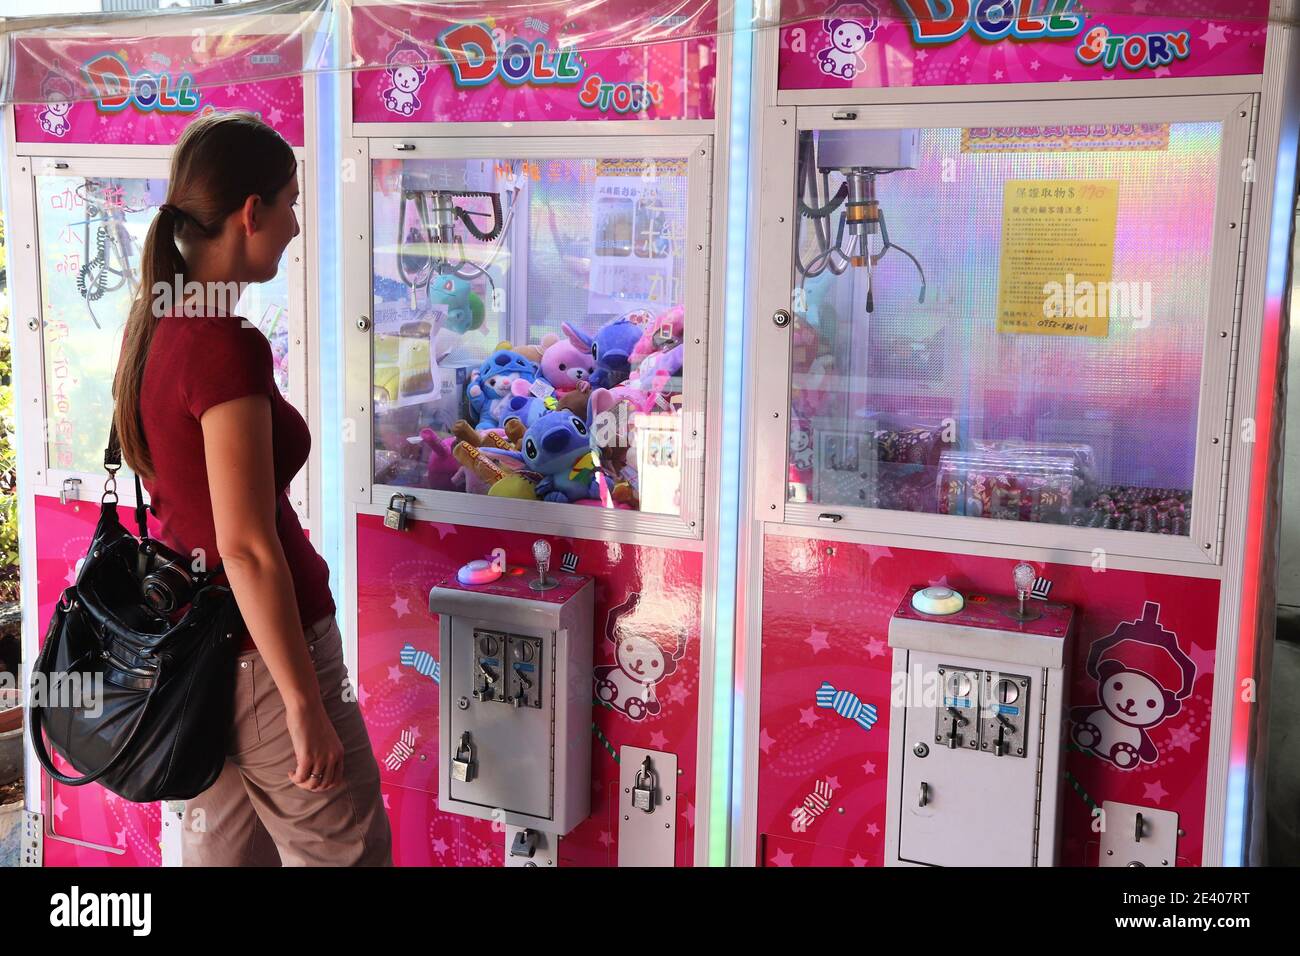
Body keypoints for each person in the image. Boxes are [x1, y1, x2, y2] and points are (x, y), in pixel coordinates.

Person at [110, 112, 392, 866]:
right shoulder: (224, 348)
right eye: (291, 203)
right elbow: (245, 544)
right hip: (266, 663)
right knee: (348, 854)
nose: (296, 225)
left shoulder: (158, 327)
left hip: (198, 661)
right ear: (251, 212)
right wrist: (303, 703)